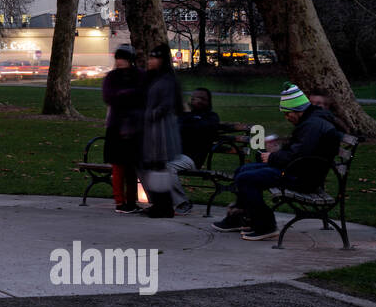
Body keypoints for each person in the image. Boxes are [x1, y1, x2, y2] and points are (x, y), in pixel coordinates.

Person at [214, 84, 341, 240]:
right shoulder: (312, 121)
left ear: (298, 110)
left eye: (288, 114)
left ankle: (266, 225)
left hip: (302, 178)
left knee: (245, 178)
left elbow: (299, 155)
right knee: (243, 170)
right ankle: (241, 217)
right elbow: (299, 151)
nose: (286, 118)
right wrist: (276, 152)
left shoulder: (313, 125)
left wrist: (273, 157)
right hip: (300, 170)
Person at [138, 42, 183, 218]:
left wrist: (150, 114)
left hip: (161, 131)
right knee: (155, 167)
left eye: (153, 58)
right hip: (154, 129)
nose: (150, 61)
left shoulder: (166, 81)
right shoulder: (155, 78)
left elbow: (166, 105)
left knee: (158, 167)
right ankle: (159, 204)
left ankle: (163, 206)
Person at [102, 44, 144, 213]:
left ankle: (130, 200)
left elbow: (141, 95)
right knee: (119, 166)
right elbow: (109, 97)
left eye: (123, 58)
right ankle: (121, 201)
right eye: (118, 58)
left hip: (132, 125)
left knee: (130, 166)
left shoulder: (138, 76)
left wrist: (123, 95)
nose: (119, 62)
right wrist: (128, 95)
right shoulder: (112, 77)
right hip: (118, 125)